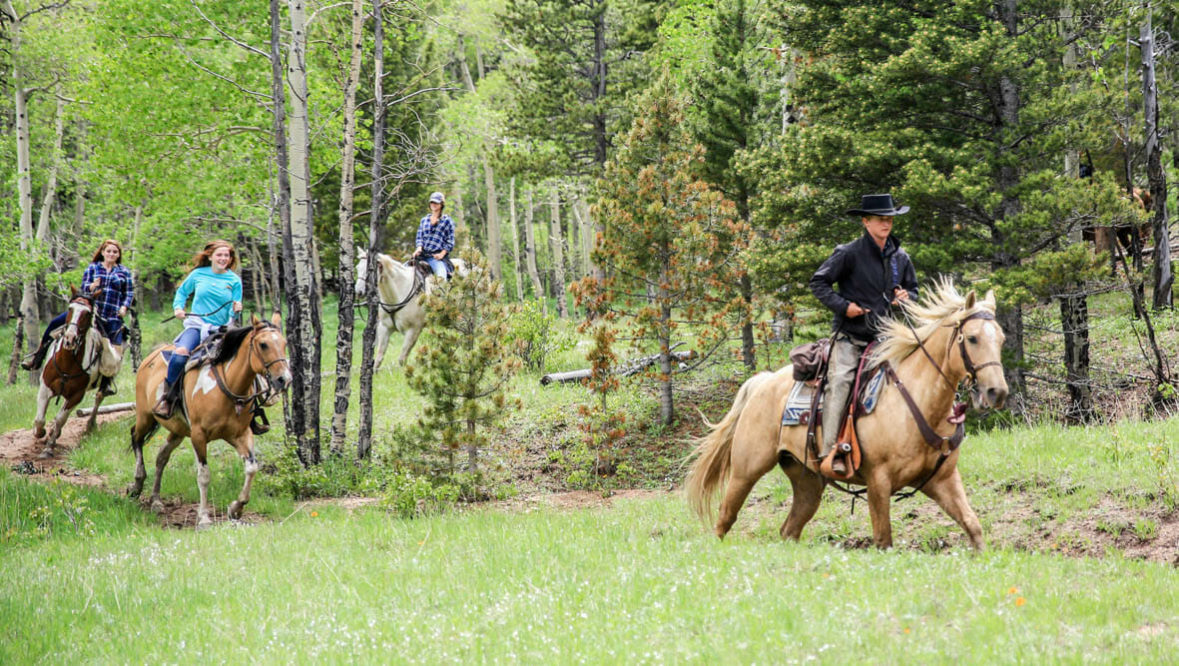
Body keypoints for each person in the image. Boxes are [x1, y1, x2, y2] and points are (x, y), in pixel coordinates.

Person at [808, 193, 918, 475]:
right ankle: (830, 450)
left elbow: (912, 290)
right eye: (881, 219)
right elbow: (818, 283)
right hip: (851, 338)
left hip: (885, 340)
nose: (887, 223)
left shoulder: (900, 257)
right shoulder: (848, 253)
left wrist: (905, 297)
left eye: (889, 218)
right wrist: (844, 307)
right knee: (841, 381)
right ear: (866, 221)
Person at [23, 239, 134, 397]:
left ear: (118, 255)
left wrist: (124, 307)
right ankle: (37, 358)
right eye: (108, 251)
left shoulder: (124, 272)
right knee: (55, 323)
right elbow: (83, 288)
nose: (111, 254)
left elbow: (129, 293)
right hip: (88, 311)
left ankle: (106, 382)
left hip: (111, 315)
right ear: (102, 252)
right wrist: (91, 287)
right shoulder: (93, 268)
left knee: (114, 348)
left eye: (115, 252)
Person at [153, 240, 243, 418]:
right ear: (210, 256)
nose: (223, 258)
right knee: (180, 355)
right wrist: (178, 308)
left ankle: (249, 408)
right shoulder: (198, 274)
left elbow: (235, 310)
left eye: (227, 255)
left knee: (245, 359)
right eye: (219, 255)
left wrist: (237, 310)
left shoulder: (234, 280)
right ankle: (169, 398)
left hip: (222, 330)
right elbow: (182, 293)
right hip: (197, 326)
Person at [412, 191, 455, 278]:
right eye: (432, 202)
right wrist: (419, 248)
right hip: (422, 256)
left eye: (436, 202)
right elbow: (419, 237)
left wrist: (441, 254)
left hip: (435, 257)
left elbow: (450, 242)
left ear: (441, 204)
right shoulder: (424, 220)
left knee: (441, 278)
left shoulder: (447, 221)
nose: (433, 204)